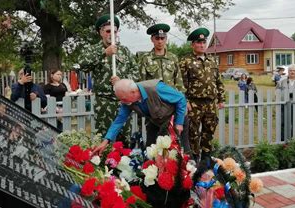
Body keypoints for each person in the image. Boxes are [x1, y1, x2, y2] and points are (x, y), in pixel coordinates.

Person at [80, 14, 139, 141]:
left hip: (123, 102)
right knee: (104, 140)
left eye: (114, 31)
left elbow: (136, 73)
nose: (111, 34)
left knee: (124, 141)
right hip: (104, 103)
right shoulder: (92, 50)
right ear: (100, 32)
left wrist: (122, 81)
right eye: (108, 31)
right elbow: (83, 65)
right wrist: (104, 53)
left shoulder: (124, 51)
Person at [93, 79, 187, 154]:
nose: (122, 102)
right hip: (155, 121)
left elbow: (181, 98)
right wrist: (106, 141)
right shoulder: (127, 101)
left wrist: (179, 123)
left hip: (175, 119)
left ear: (133, 92)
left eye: (123, 98)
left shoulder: (156, 88)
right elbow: (119, 121)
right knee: (151, 151)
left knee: (180, 151)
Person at [139, 23, 190, 151]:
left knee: (176, 142)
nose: (160, 41)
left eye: (163, 38)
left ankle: (179, 168)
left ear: (166, 39)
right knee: (152, 143)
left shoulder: (173, 58)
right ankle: (150, 167)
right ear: (152, 39)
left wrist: (184, 101)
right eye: (157, 38)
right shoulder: (145, 59)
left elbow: (179, 82)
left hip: (172, 105)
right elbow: (142, 83)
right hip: (154, 107)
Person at [179, 27, 225, 162]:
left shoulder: (212, 61)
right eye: (198, 43)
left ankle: (206, 158)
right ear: (193, 44)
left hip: (210, 104)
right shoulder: (185, 61)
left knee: (209, 132)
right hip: (194, 104)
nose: (202, 45)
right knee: (193, 133)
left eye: (204, 42)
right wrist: (185, 101)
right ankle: (195, 160)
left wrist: (221, 99)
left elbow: (219, 81)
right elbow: (181, 84)